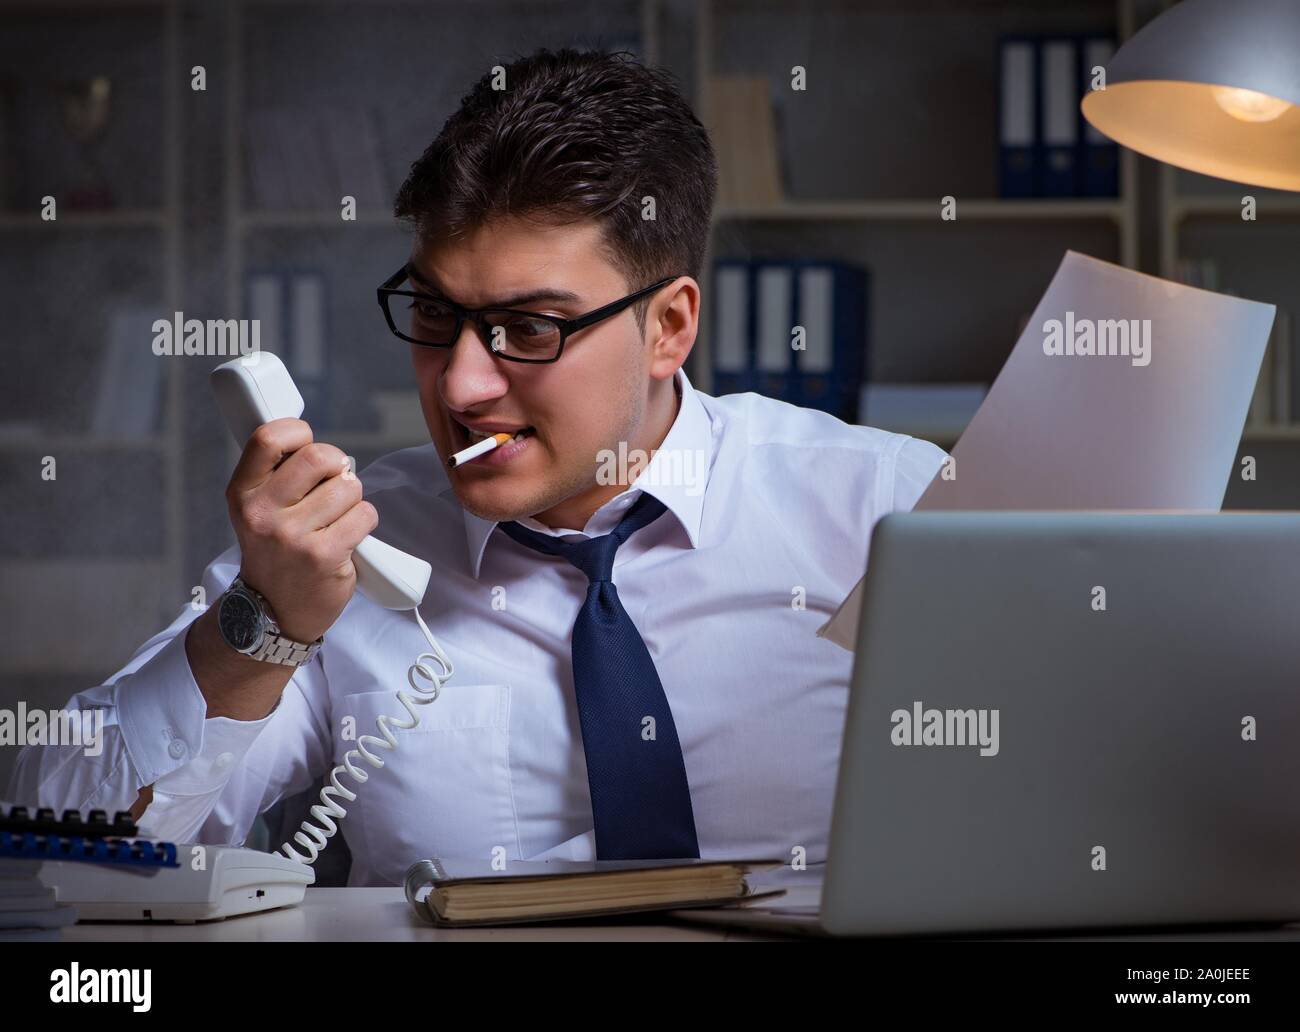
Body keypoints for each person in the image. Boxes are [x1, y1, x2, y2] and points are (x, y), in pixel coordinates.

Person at [10, 48, 946, 886]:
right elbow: (59, 843)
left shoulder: (888, 509)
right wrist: (264, 629)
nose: (459, 383)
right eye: (433, 315)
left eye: (529, 328)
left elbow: (1057, 797)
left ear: (668, 327)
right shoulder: (334, 547)